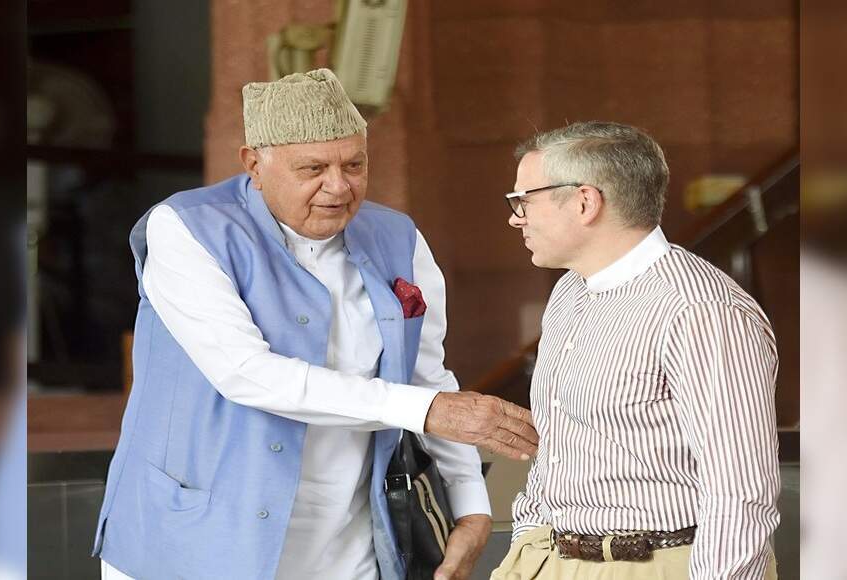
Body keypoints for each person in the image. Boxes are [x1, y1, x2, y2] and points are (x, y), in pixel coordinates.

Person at [92, 69, 538, 580]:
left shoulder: (399, 238)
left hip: (349, 545)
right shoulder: (186, 229)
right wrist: (425, 410)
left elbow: (428, 378)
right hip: (194, 542)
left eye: (354, 165)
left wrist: (470, 505)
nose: (339, 186)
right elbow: (246, 373)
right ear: (254, 164)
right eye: (313, 168)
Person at [491, 121, 780, 580]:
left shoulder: (701, 310)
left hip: (662, 564)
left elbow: (740, 491)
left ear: (585, 202)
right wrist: (530, 539)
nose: (515, 217)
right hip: (550, 560)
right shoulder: (569, 291)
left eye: (524, 200)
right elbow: (560, 447)